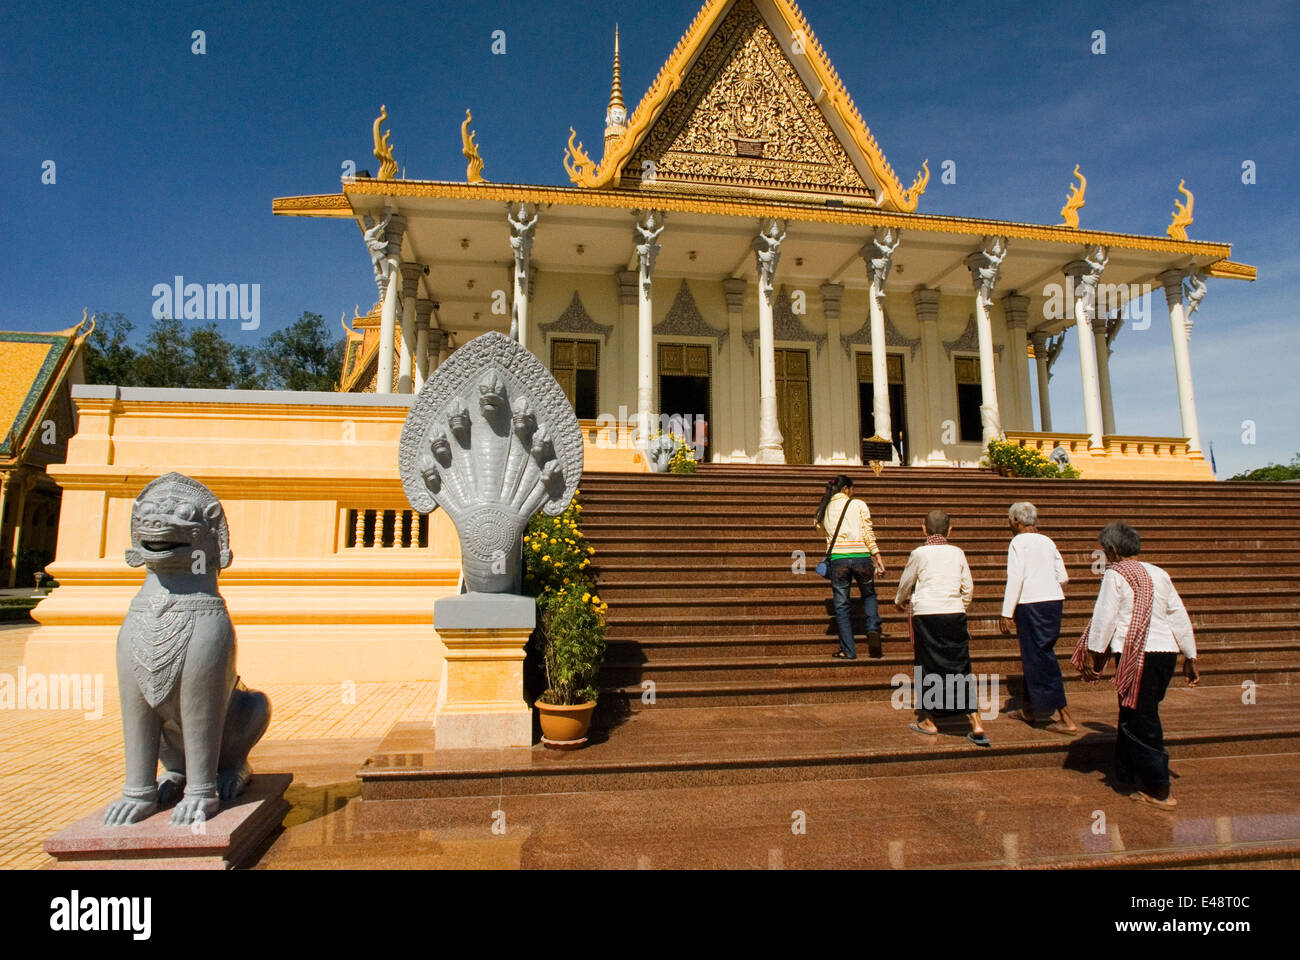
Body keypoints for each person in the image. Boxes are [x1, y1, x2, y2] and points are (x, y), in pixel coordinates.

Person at [1072, 520, 1200, 809]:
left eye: (1105, 550)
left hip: (1137, 654)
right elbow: (1177, 615)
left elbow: (1105, 615)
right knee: (1133, 712)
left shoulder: (1115, 574)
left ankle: (1159, 789)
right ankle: (1126, 772)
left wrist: (1094, 652)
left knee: (1142, 719)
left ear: (1114, 550)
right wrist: (1190, 656)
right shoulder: (1158, 573)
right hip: (1165, 651)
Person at [894, 509, 989, 747]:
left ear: (923, 529)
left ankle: (929, 719)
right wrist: (959, 604)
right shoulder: (957, 552)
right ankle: (975, 720)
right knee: (960, 664)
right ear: (950, 529)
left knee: (926, 664)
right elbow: (968, 587)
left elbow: (907, 581)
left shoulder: (919, 553)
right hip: (953, 612)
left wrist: (900, 600)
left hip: (926, 613)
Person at [999, 501, 1077, 734]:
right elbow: (1063, 576)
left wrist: (1006, 612)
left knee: (1040, 657)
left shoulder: (1018, 542)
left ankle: (1065, 715)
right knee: (1037, 654)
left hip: (1030, 603)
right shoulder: (1047, 541)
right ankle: (1028, 707)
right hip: (1053, 601)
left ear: (1016, 521)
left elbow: (1016, 578)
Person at [814, 475, 886, 660]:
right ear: (846, 489)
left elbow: (818, 528)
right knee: (869, 594)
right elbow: (867, 532)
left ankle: (848, 650)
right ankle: (872, 629)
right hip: (862, 557)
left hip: (838, 560)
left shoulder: (825, 508)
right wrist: (876, 555)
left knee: (841, 604)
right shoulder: (859, 504)